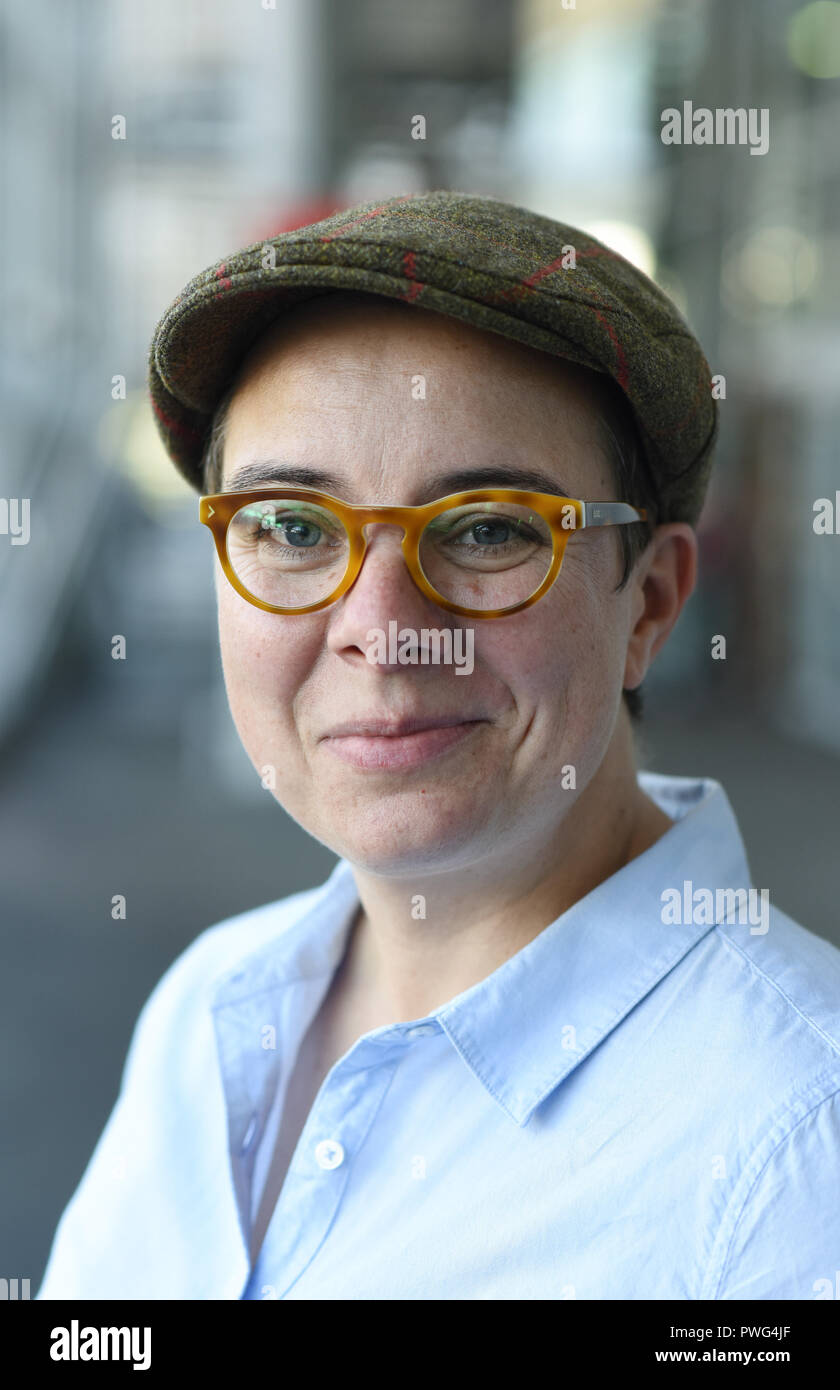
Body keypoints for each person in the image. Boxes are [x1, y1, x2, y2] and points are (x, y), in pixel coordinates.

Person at [38, 191, 840, 1300]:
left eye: (486, 528)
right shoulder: (209, 1011)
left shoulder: (797, 1152)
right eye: (290, 526)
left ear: (648, 604)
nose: (380, 627)